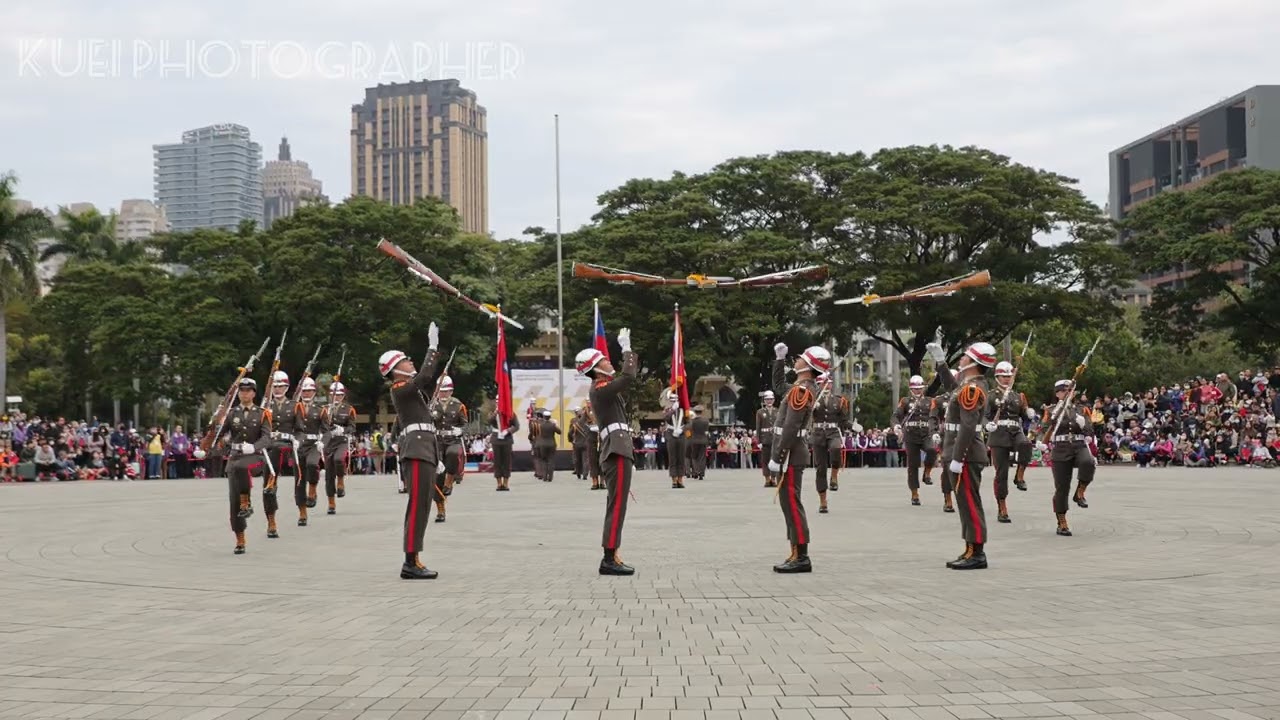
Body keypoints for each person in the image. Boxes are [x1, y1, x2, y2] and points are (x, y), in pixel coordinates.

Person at [379, 322, 446, 580]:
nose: (411, 362)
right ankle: (410, 561)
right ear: (396, 369)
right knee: (418, 506)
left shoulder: (410, 391)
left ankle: (414, 558)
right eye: (406, 360)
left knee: (423, 506)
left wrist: (437, 457)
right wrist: (432, 347)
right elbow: (426, 377)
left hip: (424, 449)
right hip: (416, 451)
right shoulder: (400, 388)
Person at [929, 340, 995, 570]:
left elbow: (967, 427)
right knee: (965, 503)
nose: (962, 359)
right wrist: (940, 363)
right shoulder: (967, 384)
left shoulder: (973, 388)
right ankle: (971, 549)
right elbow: (951, 387)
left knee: (969, 502)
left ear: (974, 363)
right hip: (959, 451)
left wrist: (958, 458)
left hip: (965, 453)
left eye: (965, 356)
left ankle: (977, 553)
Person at [577, 329, 638, 575]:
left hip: (618, 447)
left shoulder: (603, 386)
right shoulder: (600, 388)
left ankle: (613, 554)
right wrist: (627, 350)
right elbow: (628, 377)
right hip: (616, 449)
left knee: (617, 504)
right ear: (595, 368)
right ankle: (609, 558)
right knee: (617, 505)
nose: (608, 361)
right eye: (603, 359)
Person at [767, 343, 830, 574]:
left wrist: (778, 456)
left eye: (800, 358)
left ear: (808, 365)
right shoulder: (800, 387)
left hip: (791, 453)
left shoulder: (802, 390)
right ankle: (796, 552)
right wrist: (779, 360)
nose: (797, 359)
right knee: (788, 504)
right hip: (792, 452)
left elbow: (791, 428)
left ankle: (802, 556)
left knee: (793, 504)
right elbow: (778, 386)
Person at [211, 378, 273, 555]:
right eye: (242, 390)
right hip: (235, 457)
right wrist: (215, 424)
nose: (244, 393)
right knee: (233, 502)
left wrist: (254, 446)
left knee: (242, 469)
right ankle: (240, 538)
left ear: (254, 393)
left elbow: (267, 438)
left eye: (248, 390)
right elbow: (219, 436)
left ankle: (247, 499)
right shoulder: (231, 414)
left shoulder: (262, 414)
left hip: (254, 457)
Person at [1043, 380, 1096, 536]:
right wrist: (1041, 440)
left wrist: (1083, 424)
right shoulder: (1052, 409)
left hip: (1079, 444)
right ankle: (1062, 522)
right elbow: (1044, 427)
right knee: (1062, 488)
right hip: (1060, 448)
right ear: (1058, 393)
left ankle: (1080, 492)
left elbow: (1090, 430)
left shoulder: (1082, 409)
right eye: (1065, 391)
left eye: (1071, 390)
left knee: (1088, 462)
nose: (1069, 393)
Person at [984, 361, 1035, 524]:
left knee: (1026, 445)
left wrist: (1029, 413)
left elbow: (1024, 416)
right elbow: (983, 416)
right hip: (998, 435)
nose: (1007, 379)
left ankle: (1019, 475)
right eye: (1004, 376)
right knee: (1001, 474)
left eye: (1009, 376)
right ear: (997, 377)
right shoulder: (990, 396)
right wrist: (987, 425)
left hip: (1015, 431)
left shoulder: (1017, 396)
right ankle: (1002, 507)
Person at [263, 370, 300, 539]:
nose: (277, 389)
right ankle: (271, 521)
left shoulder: (295, 406)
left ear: (286, 387)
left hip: (287, 446)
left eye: (280, 386)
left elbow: (300, 429)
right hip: (269, 447)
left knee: (298, 474)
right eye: (275, 386)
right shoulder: (265, 407)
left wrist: (298, 439)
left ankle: (302, 506)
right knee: (267, 489)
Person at [808, 374, 850, 513]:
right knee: (820, 468)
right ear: (818, 385)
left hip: (833, 432)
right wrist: (812, 406)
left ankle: (834, 475)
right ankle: (823, 501)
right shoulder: (812, 399)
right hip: (818, 433)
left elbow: (843, 420)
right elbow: (805, 415)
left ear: (831, 385)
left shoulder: (839, 401)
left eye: (828, 383)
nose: (826, 386)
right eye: (822, 383)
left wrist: (852, 426)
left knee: (836, 449)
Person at [893, 375, 933, 506]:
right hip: (911, 434)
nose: (918, 391)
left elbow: (935, 416)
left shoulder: (929, 401)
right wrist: (897, 426)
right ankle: (914, 493)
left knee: (932, 450)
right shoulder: (905, 401)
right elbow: (896, 416)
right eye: (915, 388)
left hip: (926, 433)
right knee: (913, 465)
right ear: (911, 389)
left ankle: (927, 472)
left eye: (920, 388)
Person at [320, 381, 357, 516]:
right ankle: (331, 503)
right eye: (335, 395)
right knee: (329, 475)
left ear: (343, 396)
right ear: (330, 395)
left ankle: (340, 480)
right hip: (328, 442)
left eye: (340, 395)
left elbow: (352, 427)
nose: (337, 397)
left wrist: (343, 429)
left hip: (341, 440)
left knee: (339, 459)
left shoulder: (349, 409)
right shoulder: (324, 409)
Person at [293, 378, 325, 526]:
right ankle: (302, 512)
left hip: (313, 444)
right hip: (298, 445)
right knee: (299, 480)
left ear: (314, 392)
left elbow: (327, 430)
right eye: (304, 391)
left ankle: (312, 488)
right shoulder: (293, 408)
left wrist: (322, 441)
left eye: (309, 391)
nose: (306, 393)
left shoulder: (321, 410)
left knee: (312, 464)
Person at [431, 376, 468, 501]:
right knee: (437, 464)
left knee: (452, 453)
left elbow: (465, 424)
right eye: (441, 391)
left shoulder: (458, 405)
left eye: (446, 391)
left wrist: (461, 430)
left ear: (451, 391)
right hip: (437, 439)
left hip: (453, 439)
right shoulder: (432, 405)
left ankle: (450, 480)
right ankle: (440, 490)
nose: (443, 393)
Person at [662, 389, 687, 489]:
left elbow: (689, 423)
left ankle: (680, 479)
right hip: (671, 434)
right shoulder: (667, 410)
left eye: (675, 400)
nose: (674, 401)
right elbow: (666, 418)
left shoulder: (684, 411)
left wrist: (683, 429)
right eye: (672, 400)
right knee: (673, 458)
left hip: (681, 434)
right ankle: (674, 479)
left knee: (681, 457)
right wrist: (672, 409)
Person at [489, 407, 519, 491]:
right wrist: (495, 414)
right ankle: (499, 483)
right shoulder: (493, 412)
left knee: (506, 461)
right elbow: (489, 421)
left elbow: (516, 426)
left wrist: (508, 430)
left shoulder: (511, 413)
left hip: (507, 439)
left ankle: (505, 483)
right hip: (496, 439)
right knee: (497, 462)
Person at [756, 391, 778, 487]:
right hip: (765, 439)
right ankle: (767, 479)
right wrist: (759, 441)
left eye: (771, 399)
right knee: (765, 460)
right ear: (764, 400)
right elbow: (758, 427)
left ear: (773, 400)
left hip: (775, 439)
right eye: (767, 399)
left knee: (774, 460)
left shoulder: (777, 411)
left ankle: (773, 479)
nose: (769, 401)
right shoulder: (760, 412)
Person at [534, 409, 560, 482]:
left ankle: (544, 477)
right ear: (550, 416)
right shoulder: (552, 425)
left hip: (543, 444)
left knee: (544, 460)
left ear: (544, 417)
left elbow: (536, 434)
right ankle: (550, 477)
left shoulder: (540, 425)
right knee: (551, 460)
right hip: (552, 444)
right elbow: (559, 432)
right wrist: (555, 424)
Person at [687, 405, 710, 481]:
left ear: (695, 412)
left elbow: (689, 431)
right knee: (702, 457)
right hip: (703, 440)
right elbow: (706, 432)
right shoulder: (706, 421)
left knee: (694, 457)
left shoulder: (692, 421)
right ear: (702, 412)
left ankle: (696, 471)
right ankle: (701, 473)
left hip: (694, 441)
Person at [584, 403, 604, 491]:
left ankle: (602, 482)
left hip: (602, 439)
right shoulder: (585, 415)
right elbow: (581, 425)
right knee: (592, 461)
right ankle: (595, 482)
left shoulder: (602, 411)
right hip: (591, 441)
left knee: (603, 461)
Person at [568, 407, 589, 480]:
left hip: (576, 443)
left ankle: (578, 473)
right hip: (586, 443)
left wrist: (571, 440)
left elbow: (570, 433)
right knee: (585, 459)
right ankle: (585, 474)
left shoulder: (574, 422)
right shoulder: (587, 422)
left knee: (577, 459)